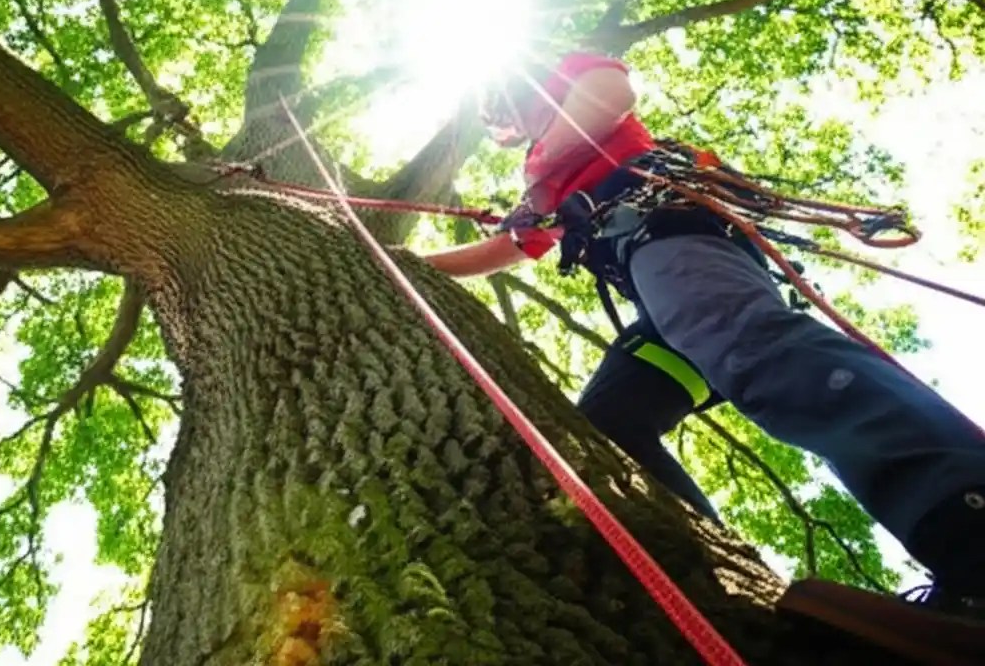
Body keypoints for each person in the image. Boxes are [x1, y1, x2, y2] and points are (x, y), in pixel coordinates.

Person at [422, 51, 985, 615]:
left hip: (677, 242)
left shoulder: (559, 106)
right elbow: (513, 247)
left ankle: (965, 522)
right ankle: (721, 593)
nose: (509, 126)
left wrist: (541, 184)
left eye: (504, 111)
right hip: (666, 314)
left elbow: (610, 93)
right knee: (607, 428)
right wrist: (409, 262)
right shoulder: (547, 184)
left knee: (754, 347)